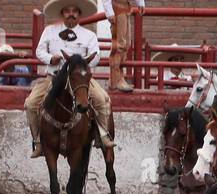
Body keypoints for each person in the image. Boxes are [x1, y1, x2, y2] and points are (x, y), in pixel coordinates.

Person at [25, 1, 113, 158]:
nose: (71, 14)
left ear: (79, 14)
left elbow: (97, 56)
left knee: (102, 99)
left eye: (75, 11)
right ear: (62, 13)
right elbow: (39, 51)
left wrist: (81, 64)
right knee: (31, 103)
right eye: (67, 11)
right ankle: (38, 142)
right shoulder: (49, 31)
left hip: (79, 79)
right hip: (53, 77)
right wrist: (50, 58)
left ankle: (103, 135)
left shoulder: (89, 35)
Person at [100, 0, 143, 92]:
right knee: (119, 45)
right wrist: (109, 11)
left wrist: (140, 3)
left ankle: (118, 78)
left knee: (126, 44)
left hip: (125, 8)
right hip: (117, 9)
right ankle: (116, 80)